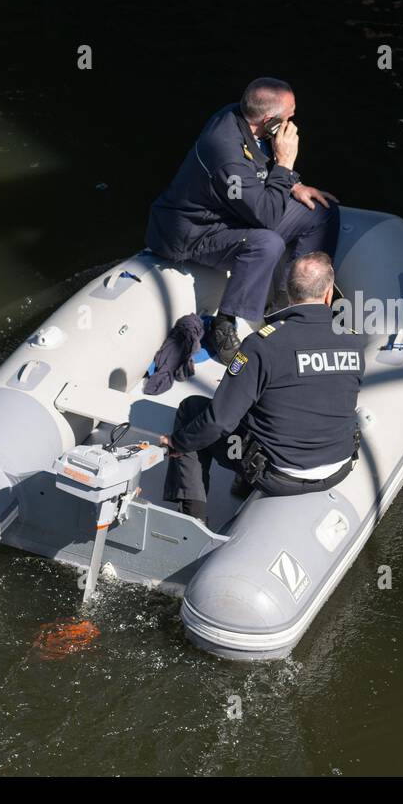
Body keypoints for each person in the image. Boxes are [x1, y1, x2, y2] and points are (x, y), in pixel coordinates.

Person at [145, 77, 340, 365]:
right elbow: (267, 216)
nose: (294, 119)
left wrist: (294, 184)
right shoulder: (226, 153)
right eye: (290, 115)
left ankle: (286, 306)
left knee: (320, 211)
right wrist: (286, 163)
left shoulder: (241, 116)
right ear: (270, 121)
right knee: (267, 243)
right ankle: (223, 326)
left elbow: (261, 163)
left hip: (233, 211)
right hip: (195, 232)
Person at [161, 252, 363, 521]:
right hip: (339, 467)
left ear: (289, 293)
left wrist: (178, 441)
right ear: (328, 294)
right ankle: (241, 485)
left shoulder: (263, 345)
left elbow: (218, 421)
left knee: (193, 411)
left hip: (280, 476)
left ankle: (191, 520)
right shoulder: (353, 341)